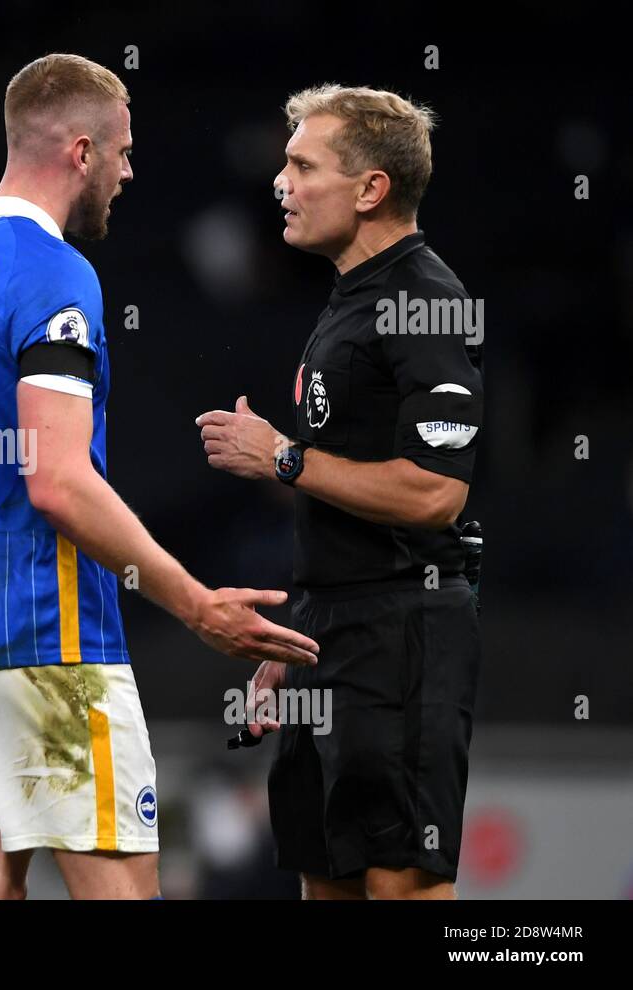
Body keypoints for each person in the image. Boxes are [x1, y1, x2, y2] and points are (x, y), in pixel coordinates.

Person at [0, 53, 318, 900]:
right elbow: (57, 481)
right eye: (120, 150)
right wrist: (197, 604)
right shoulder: (51, 272)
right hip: (47, 643)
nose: (128, 171)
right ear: (80, 152)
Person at [197, 84, 484, 899]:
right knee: (325, 881)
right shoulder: (348, 302)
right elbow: (346, 505)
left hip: (403, 640)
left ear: (370, 189)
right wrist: (300, 641)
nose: (280, 183)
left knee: (400, 886)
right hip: (332, 633)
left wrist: (284, 459)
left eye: (301, 164)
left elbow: (436, 494)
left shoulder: (425, 301)